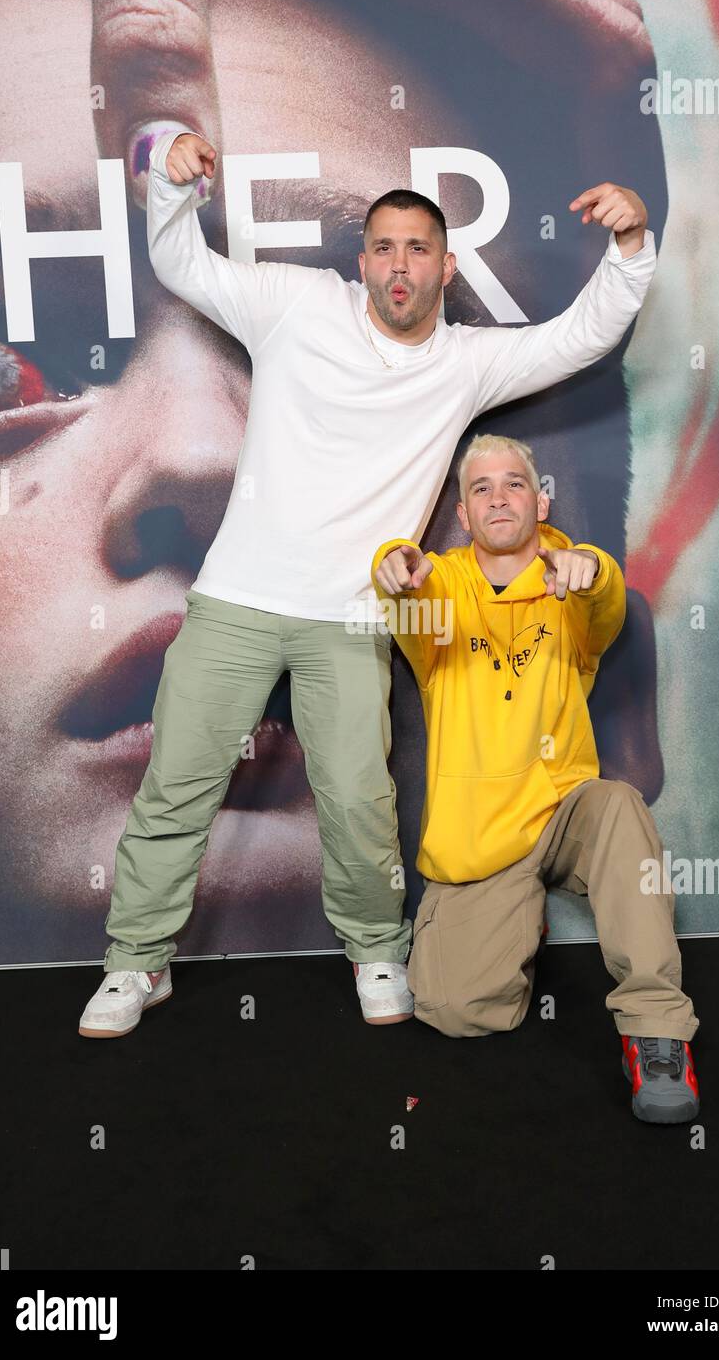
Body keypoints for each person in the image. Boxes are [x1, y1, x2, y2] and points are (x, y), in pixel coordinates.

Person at [77, 117, 658, 1037]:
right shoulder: (295, 305)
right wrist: (171, 182)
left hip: (349, 619)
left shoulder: (467, 364)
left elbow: (578, 338)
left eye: (418, 249)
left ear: (445, 269)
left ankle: (375, 951)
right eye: (382, 247)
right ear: (362, 264)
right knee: (177, 786)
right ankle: (136, 964)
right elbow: (184, 265)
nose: (399, 264)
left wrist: (629, 246)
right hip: (235, 600)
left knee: (359, 799)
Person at [371, 433, 700, 1123]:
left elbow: (605, 605)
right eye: (482, 487)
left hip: (564, 809)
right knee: (454, 1009)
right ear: (463, 513)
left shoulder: (569, 576)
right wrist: (390, 567)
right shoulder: (443, 587)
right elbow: (403, 599)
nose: (499, 496)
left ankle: (657, 1033)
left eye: (514, 483)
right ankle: (519, 918)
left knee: (618, 807)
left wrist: (593, 572)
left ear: (540, 497)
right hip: (485, 834)